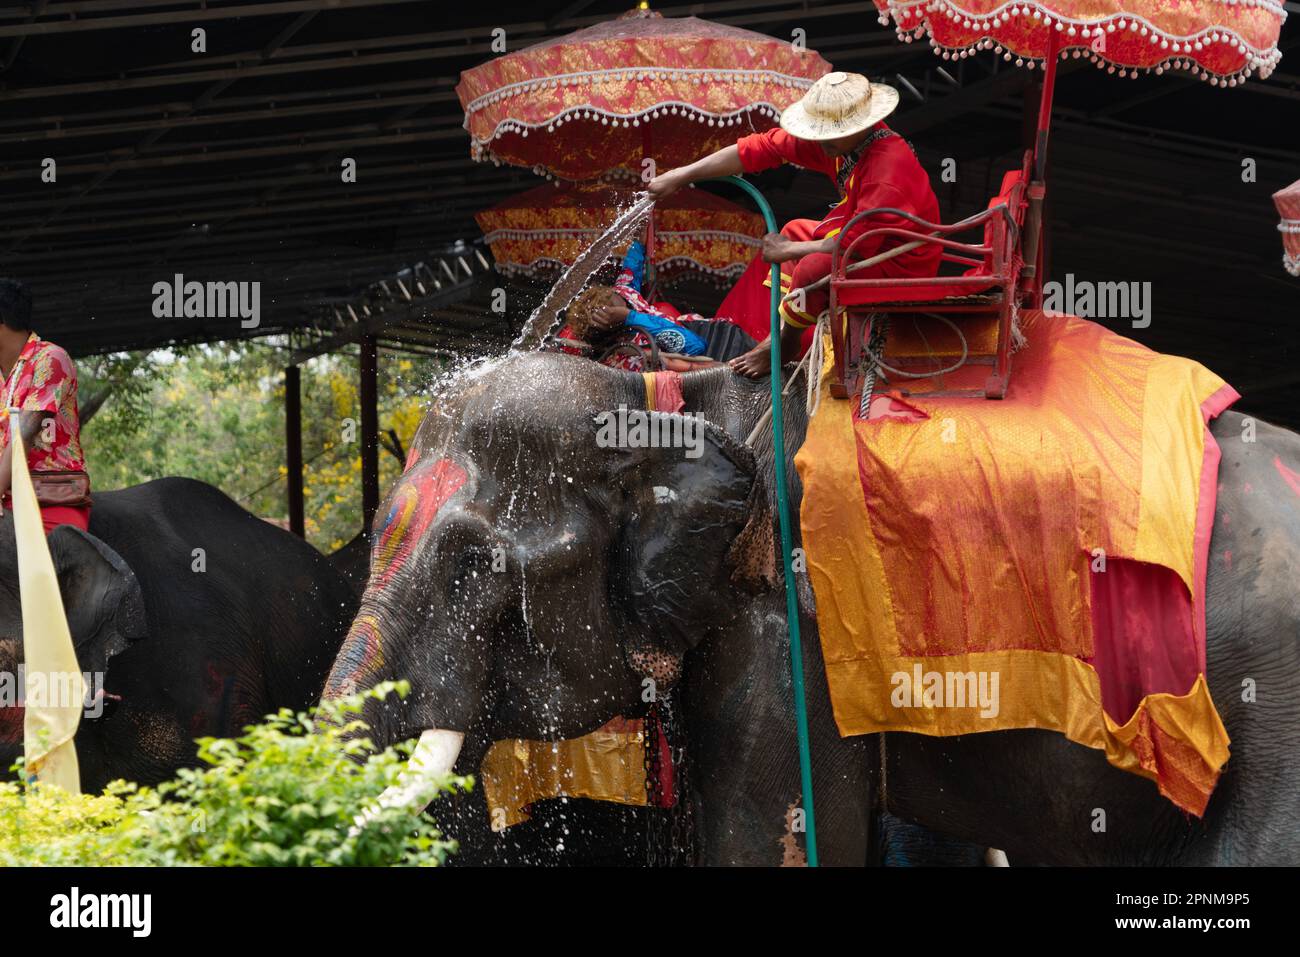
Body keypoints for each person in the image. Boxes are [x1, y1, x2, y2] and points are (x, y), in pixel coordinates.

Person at [648, 71, 942, 378]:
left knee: (813, 266)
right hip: (861, 239)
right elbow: (760, 149)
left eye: (831, 131)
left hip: (898, 261)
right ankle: (738, 332)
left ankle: (784, 343)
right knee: (794, 230)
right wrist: (681, 175)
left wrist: (790, 250)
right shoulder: (841, 142)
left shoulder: (887, 165)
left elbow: (858, 244)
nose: (822, 139)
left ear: (862, 125)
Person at [0, 279, 92, 533]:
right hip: (5, 495)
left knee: (56, 561)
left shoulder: (50, 358)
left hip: (49, 496)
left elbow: (23, 435)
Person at [559, 238, 710, 371]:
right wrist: (630, 316)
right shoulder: (632, 357)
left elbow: (629, 277)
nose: (623, 296)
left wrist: (638, 244)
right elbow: (697, 347)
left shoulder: (623, 293)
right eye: (619, 304)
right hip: (695, 345)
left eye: (615, 293)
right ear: (618, 326)